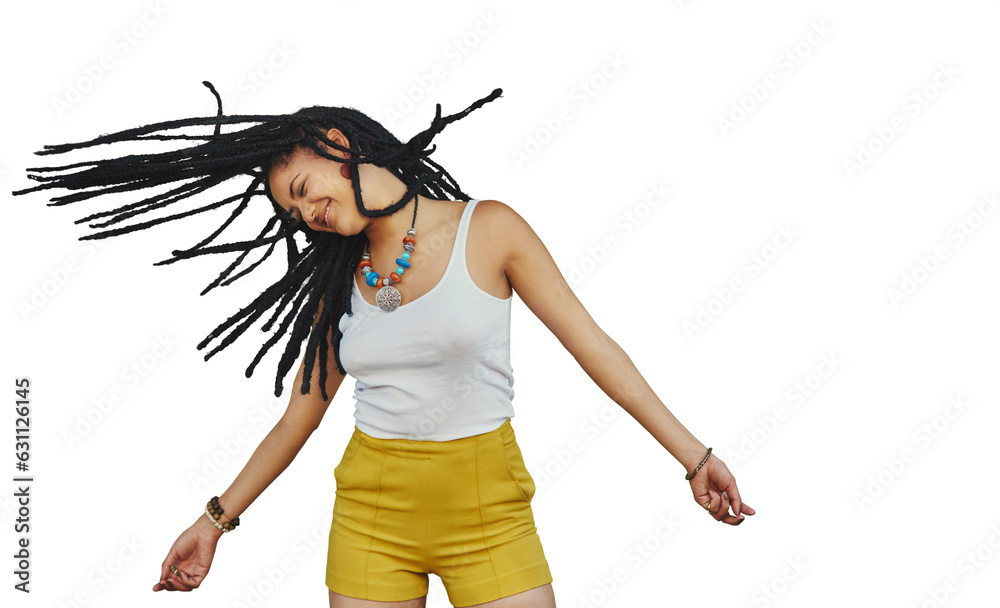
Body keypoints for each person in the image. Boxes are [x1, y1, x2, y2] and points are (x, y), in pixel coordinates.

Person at [14, 84, 754, 608]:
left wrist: (693, 457)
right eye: (293, 210)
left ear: (340, 146)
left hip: (487, 503)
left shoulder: (488, 229)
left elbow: (596, 349)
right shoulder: (341, 278)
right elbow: (299, 417)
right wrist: (213, 522)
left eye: (305, 186)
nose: (307, 213)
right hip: (372, 511)